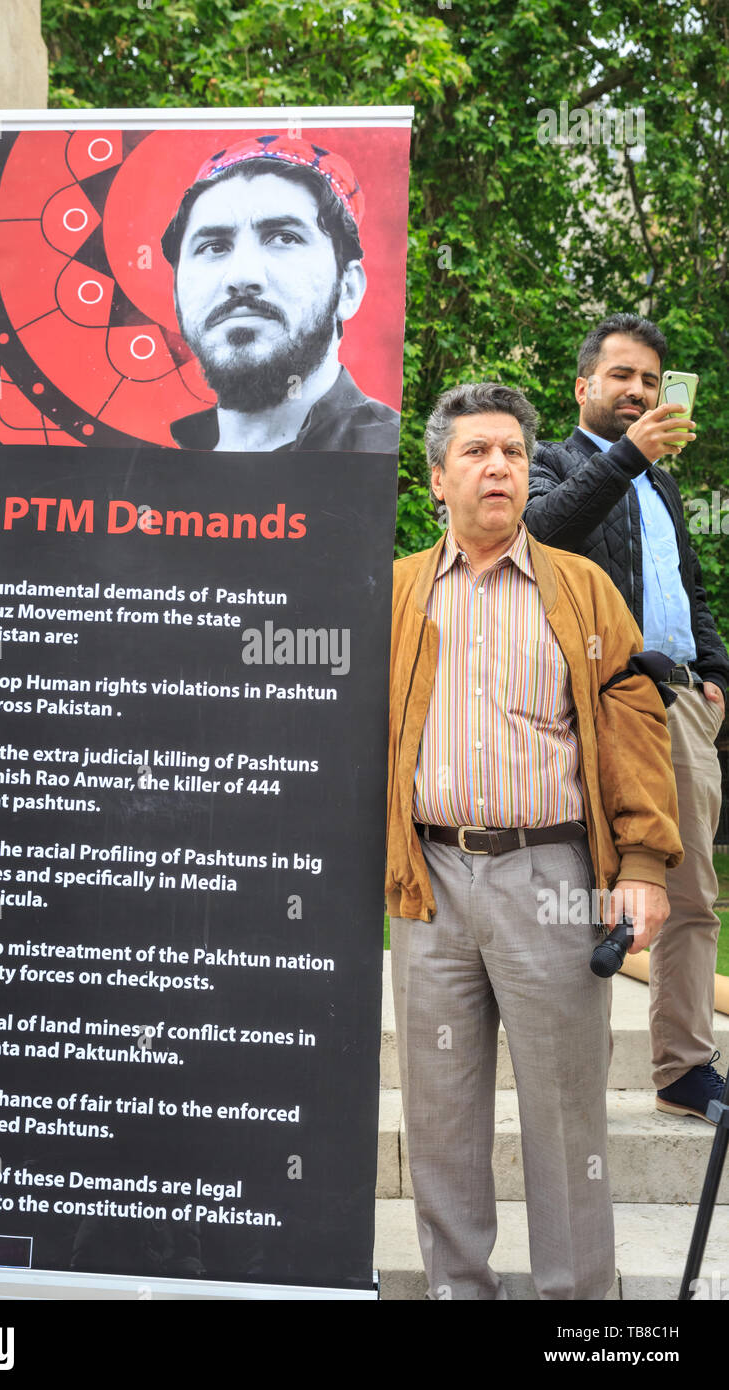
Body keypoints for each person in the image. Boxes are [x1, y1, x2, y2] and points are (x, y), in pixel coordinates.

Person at [387, 381, 682, 1300]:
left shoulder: (581, 589)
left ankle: (578, 1308)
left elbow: (635, 727)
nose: (500, 467)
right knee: (438, 1113)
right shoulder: (394, 592)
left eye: (513, 452)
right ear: (438, 479)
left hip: (549, 874)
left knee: (565, 1117)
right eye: (476, 452)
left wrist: (639, 865)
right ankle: (457, 1291)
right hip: (429, 881)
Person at [524, 314, 729, 1123]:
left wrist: (715, 674)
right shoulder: (549, 461)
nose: (639, 391)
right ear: (585, 387)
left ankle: (684, 1068)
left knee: (691, 896)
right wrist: (630, 454)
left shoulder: (665, 484)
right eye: (621, 377)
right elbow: (544, 531)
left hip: (680, 706)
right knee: (584, 892)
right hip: (592, 702)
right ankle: (575, 1079)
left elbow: (690, 587)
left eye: (650, 379)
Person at [160, 135, 400, 453]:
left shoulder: (390, 455)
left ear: (348, 289)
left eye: (284, 238)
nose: (241, 276)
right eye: (213, 246)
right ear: (176, 292)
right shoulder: (145, 472)